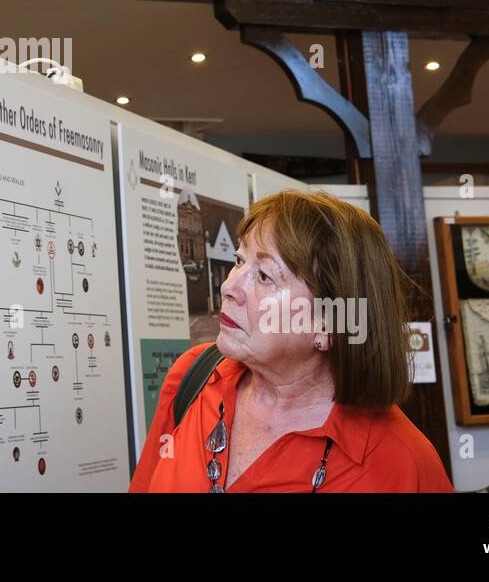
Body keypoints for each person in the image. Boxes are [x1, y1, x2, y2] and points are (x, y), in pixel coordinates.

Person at [130, 190, 453, 492]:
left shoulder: (402, 462)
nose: (229, 287)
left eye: (264, 276)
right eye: (240, 261)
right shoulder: (195, 377)